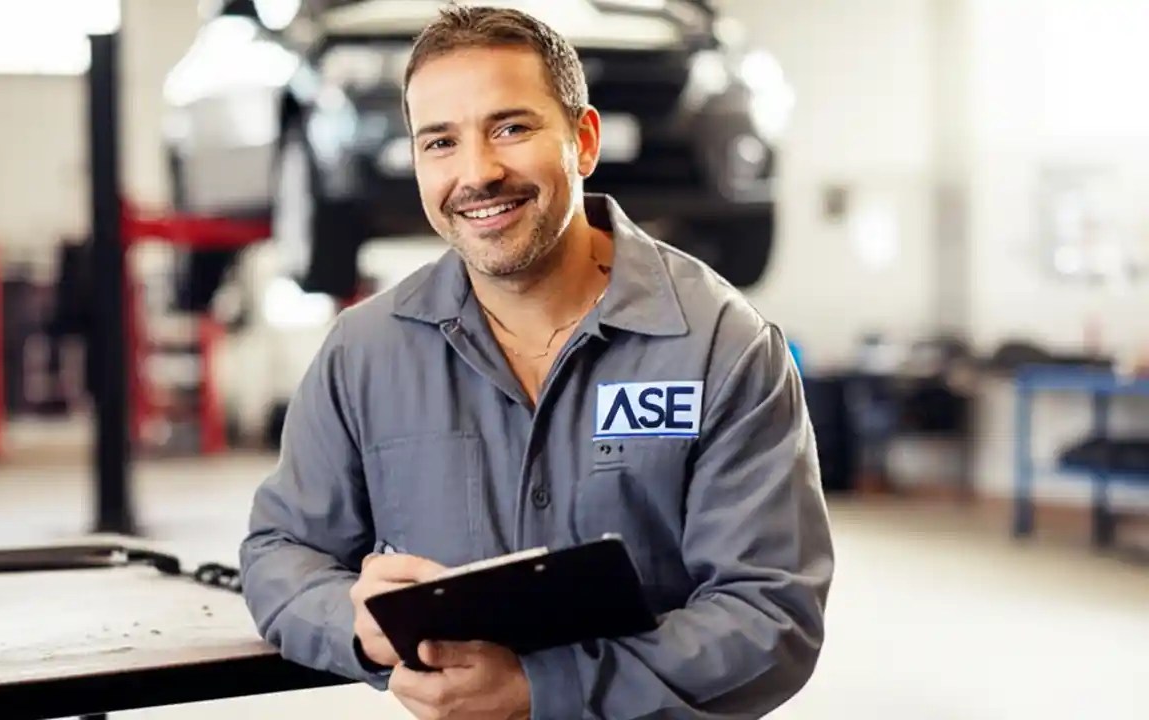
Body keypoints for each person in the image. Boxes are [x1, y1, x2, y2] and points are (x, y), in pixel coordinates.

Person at [240, 5, 835, 719]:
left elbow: (770, 614)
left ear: (583, 142)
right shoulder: (365, 353)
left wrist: (540, 691)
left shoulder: (720, 347)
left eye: (510, 128)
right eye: (439, 143)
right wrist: (353, 624)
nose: (477, 173)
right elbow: (280, 553)